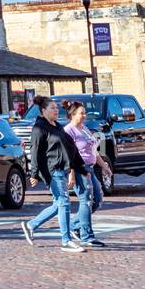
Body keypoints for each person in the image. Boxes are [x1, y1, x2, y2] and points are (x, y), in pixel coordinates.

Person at [22, 96, 87, 253]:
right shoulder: (39, 128)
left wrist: (81, 168)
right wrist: (34, 174)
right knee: (64, 202)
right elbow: (35, 151)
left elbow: (71, 148)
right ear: (43, 111)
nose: (56, 110)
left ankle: (31, 224)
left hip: (62, 169)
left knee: (58, 202)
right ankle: (66, 241)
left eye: (56, 108)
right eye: (52, 108)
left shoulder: (57, 126)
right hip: (51, 171)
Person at [64, 100, 108, 248]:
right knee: (86, 200)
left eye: (85, 113)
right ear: (73, 115)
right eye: (81, 113)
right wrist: (71, 174)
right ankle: (87, 236)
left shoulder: (85, 129)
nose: (84, 115)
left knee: (97, 200)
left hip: (90, 168)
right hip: (79, 169)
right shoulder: (68, 131)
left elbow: (94, 150)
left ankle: (74, 226)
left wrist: (104, 166)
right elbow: (68, 155)